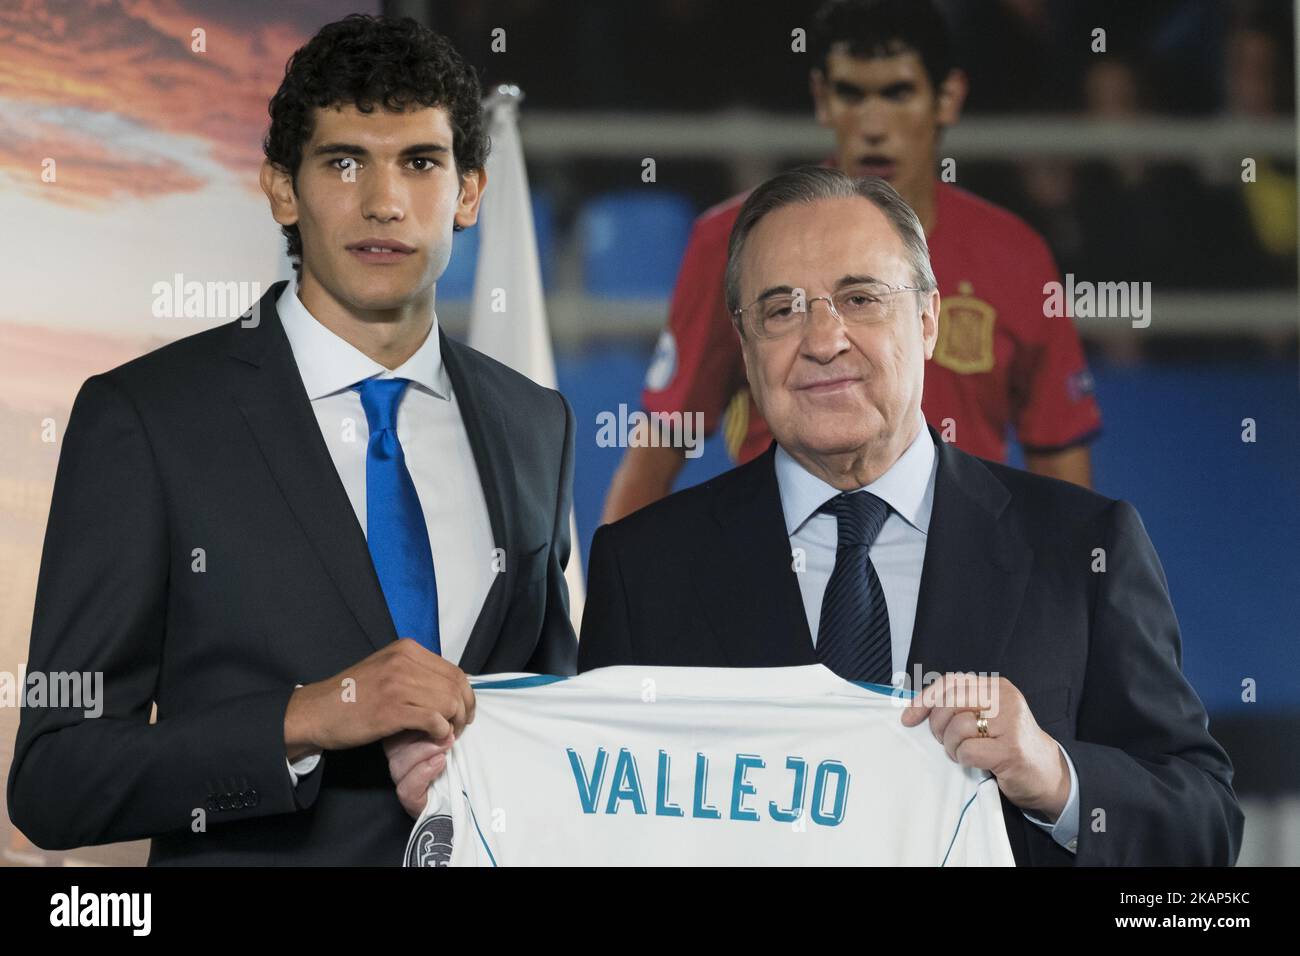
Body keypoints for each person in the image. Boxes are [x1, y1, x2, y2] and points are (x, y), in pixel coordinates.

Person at [7, 14, 577, 866]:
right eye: (345, 162)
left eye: (420, 163)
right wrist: (309, 717)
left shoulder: (534, 423)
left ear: (469, 193)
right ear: (281, 189)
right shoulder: (147, 419)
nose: (384, 201)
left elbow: (551, 722)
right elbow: (56, 780)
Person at [579, 167, 1242, 866]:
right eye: (781, 310)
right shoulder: (644, 568)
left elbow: (1203, 827)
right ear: (745, 350)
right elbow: (593, 830)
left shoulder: (1084, 549)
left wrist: (1053, 775)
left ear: (929, 322)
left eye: (860, 298)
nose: (824, 340)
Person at [603, 0, 1102, 524]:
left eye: (898, 93)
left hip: (963, 566)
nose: (873, 126)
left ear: (948, 97)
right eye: (851, 93)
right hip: (776, 562)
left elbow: (1065, 489)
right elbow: (657, 452)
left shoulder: (1016, 257)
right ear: (822, 98)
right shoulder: (735, 242)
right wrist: (613, 577)